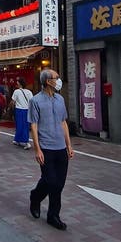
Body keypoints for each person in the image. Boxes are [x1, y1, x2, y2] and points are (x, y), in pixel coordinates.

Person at [28, 69, 74, 230]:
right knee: (50, 180)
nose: (59, 80)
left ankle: (53, 215)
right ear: (48, 81)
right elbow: (33, 125)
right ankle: (36, 197)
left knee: (59, 184)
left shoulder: (60, 99)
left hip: (61, 147)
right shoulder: (35, 101)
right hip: (46, 147)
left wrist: (68, 145)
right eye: (56, 78)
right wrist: (37, 149)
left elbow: (63, 123)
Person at [11, 77, 33, 149]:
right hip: (27, 110)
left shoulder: (16, 91)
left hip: (19, 110)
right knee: (26, 126)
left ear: (19, 84)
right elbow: (31, 102)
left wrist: (9, 108)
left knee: (19, 125)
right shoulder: (29, 92)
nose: (16, 83)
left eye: (17, 82)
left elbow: (13, 102)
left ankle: (26, 142)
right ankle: (18, 139)